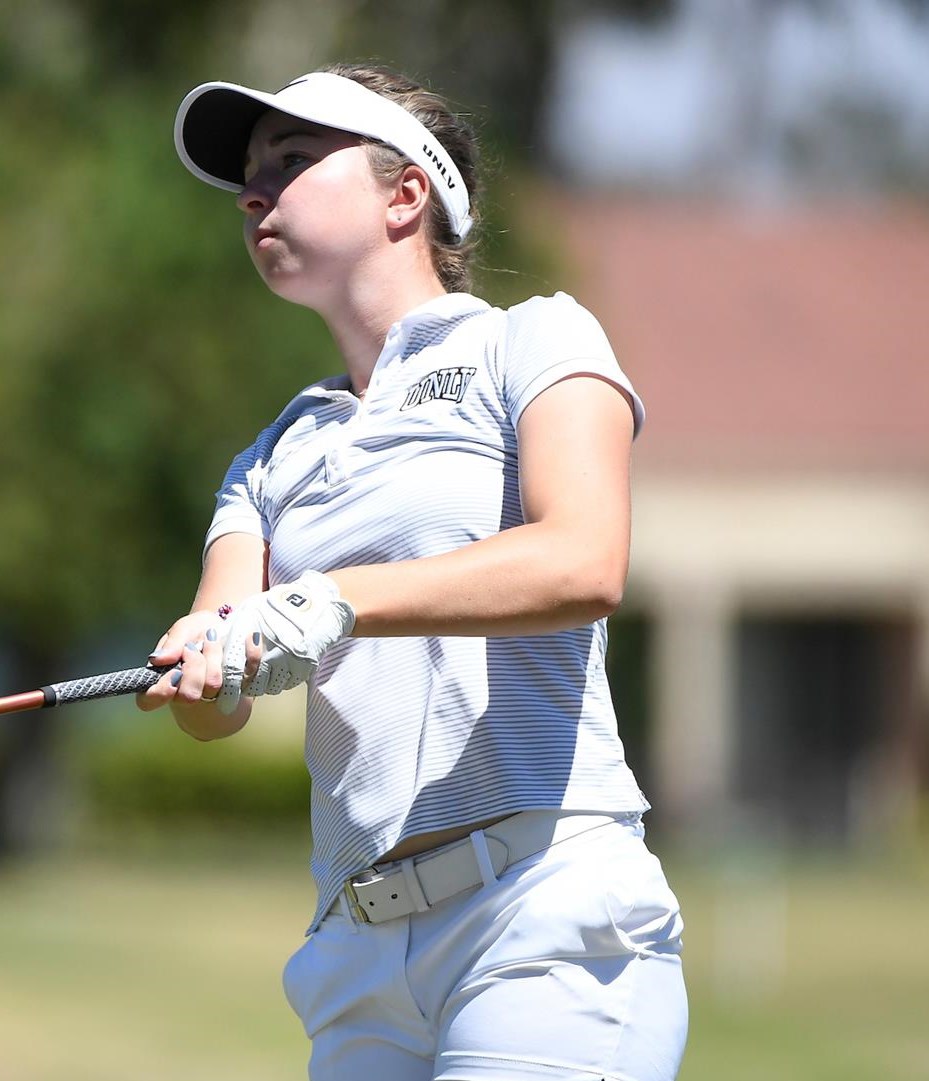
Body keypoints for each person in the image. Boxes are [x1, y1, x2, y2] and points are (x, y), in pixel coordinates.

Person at [136, 62, 688, 1081]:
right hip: (356, 961)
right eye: (250, 177)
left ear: (406, 195)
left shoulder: (534, 341)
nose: (256, 191)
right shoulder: (269, 458)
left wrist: (334, 601)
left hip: (540, 915)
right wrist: (207, 664)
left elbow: (583, 559)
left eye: (292, 161)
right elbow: (213, 702)